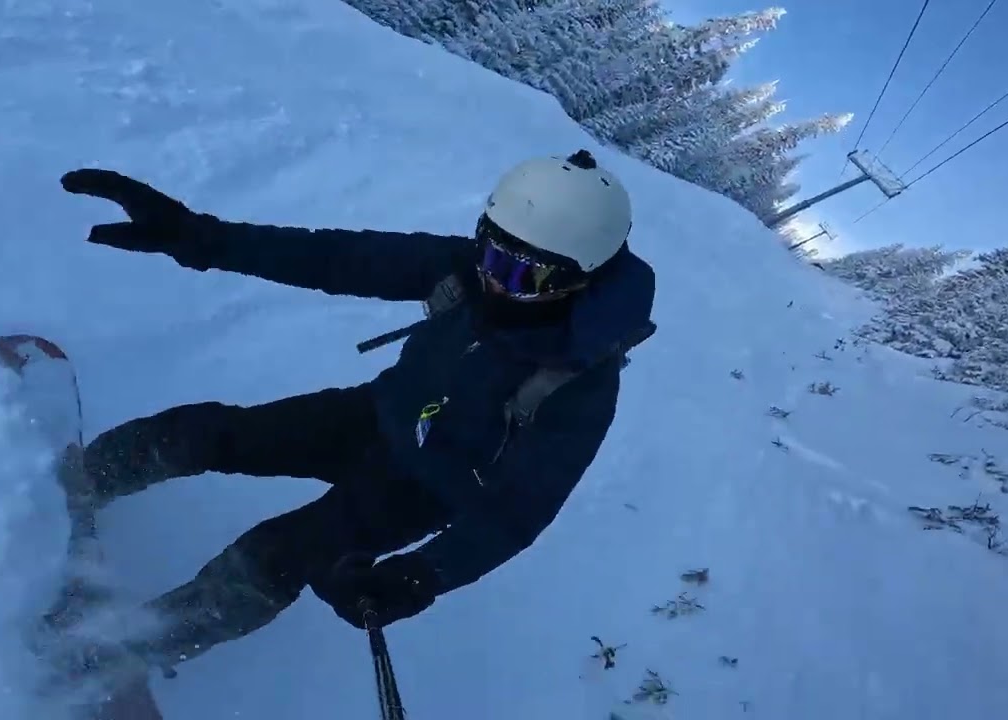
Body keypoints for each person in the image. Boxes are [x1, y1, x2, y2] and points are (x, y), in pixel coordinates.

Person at [58, 149, 657, 675]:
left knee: (269, 560)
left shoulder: (579, 383)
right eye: (491, 252)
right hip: (377, 414)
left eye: (524, 274)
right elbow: (338, 257)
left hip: (425, 488)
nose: (495, 280)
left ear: (579, 280)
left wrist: (421, 575)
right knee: (207, 432)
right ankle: (76, 484)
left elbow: (518, 515)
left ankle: (122, 650)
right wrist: (199, 237)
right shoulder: (470, 271)